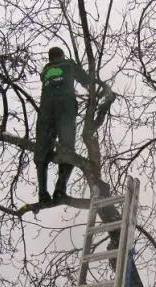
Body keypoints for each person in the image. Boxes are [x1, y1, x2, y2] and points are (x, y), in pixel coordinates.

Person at [34, 46, 111, 202]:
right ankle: (60, 188)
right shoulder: (68, 65)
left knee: (41, 151)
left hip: (45, 112)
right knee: (68, 150)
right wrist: (99, 87)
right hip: (65, 109)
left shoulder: (45, 72)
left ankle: (42, 193)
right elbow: (85, 80)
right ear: (62, 56)